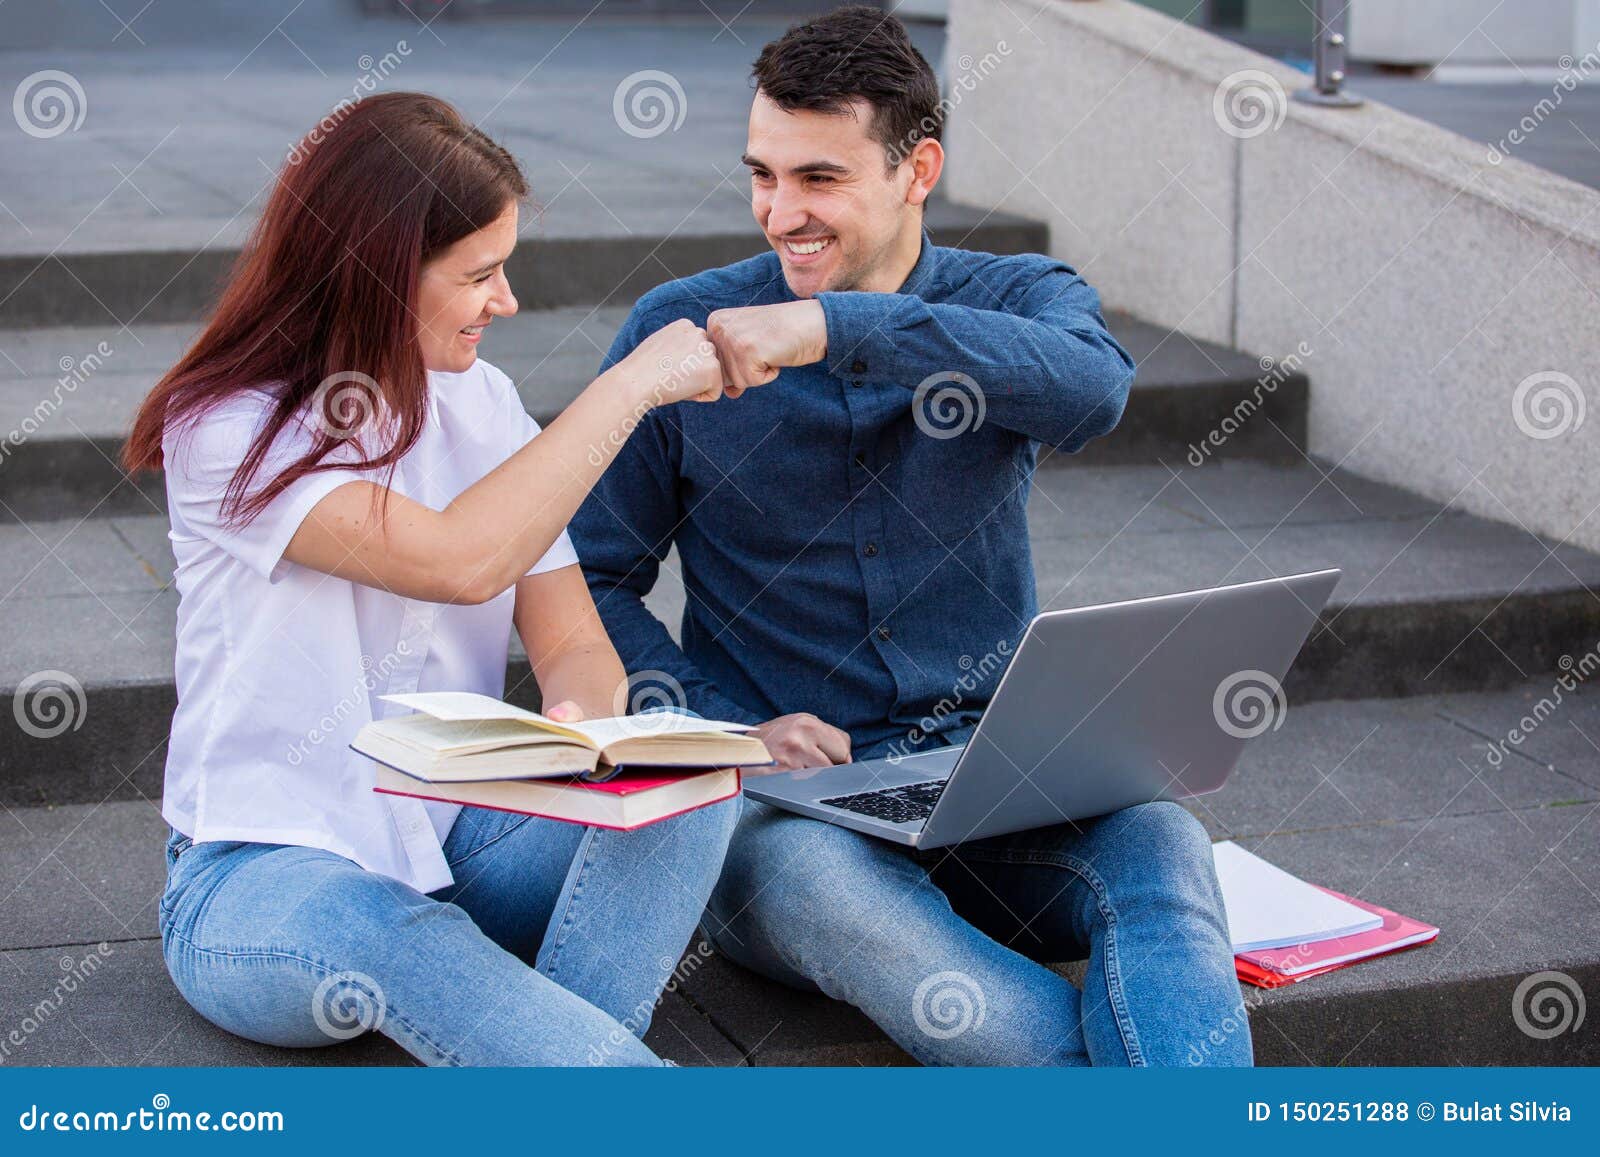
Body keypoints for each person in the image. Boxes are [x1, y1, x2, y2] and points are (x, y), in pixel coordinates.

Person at [570, 8, 1251, 1066]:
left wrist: (837, 328)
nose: (780, 213)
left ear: (917, 169)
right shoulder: (681, 330)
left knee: (1163, 841)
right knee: (835, 895)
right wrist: (728, 726)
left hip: (986, 778)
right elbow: (591, 580)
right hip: (782, 810)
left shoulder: (1017, 298)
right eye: (763, 176)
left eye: (819, 179)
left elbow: (1092, 392)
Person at [125, 92, 747, 1066]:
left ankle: (562, 1073)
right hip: (264, 878)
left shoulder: (483, 401)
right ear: (378, 275)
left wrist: (585, 738)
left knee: (693, 788)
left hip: (460, 846)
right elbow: (460, 560)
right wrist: (630, 385)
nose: (506, 301)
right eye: (480, 274)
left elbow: (572, 640)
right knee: (375, 922)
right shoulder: (229, 428)